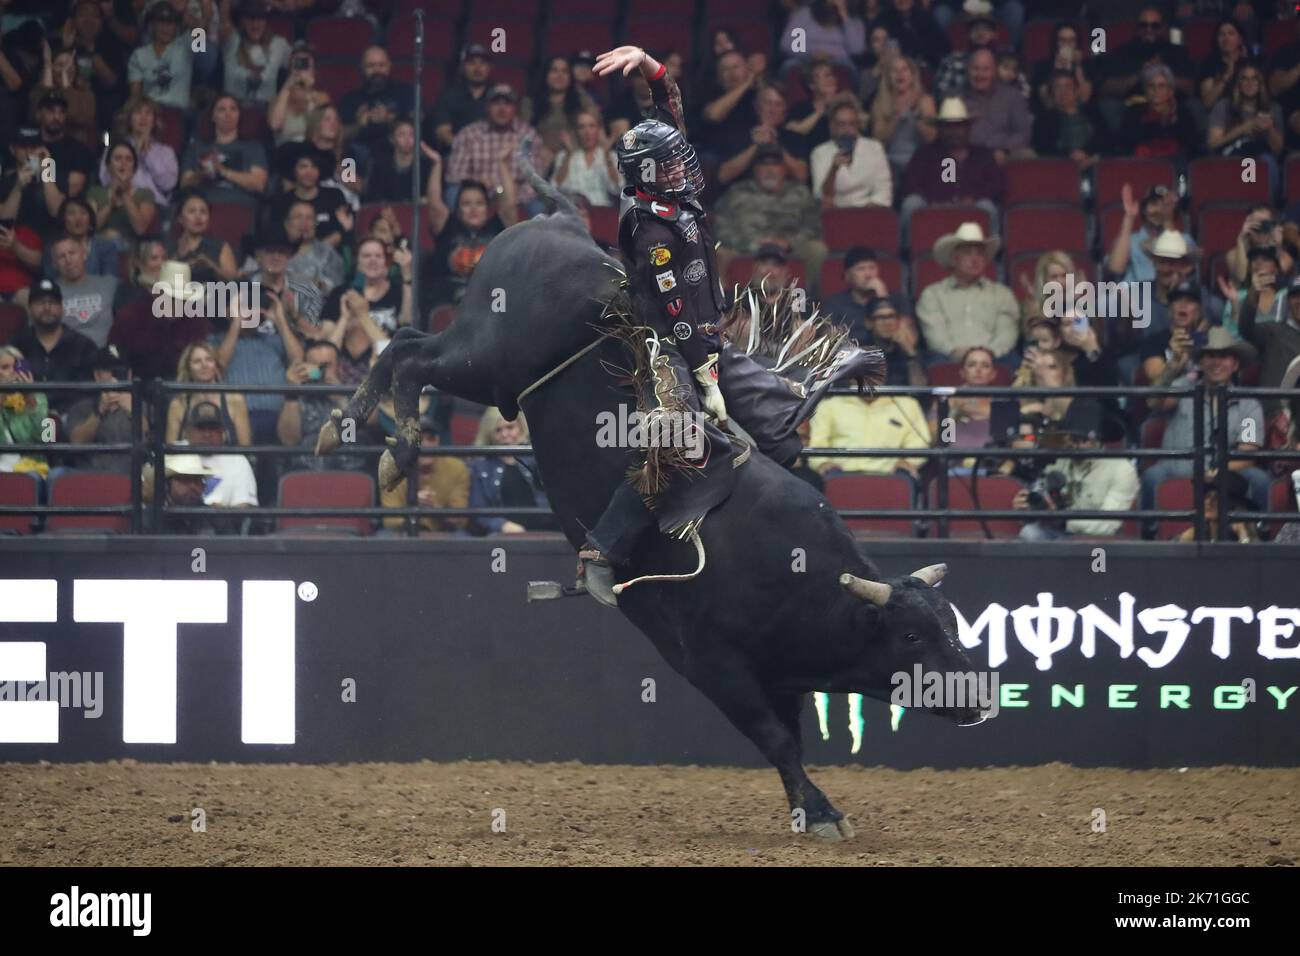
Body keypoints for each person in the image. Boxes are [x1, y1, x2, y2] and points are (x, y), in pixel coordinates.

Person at [574, 43, 882, 600]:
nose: (682, 165)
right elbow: (678, 317)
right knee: (679, 437)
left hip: (706, 334)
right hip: (667, 346)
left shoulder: (671, 190)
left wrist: (652, 68)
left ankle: (783, 525)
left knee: (777, 418)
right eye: (669, 163)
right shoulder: (651, 232)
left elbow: (668, 116)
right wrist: (709, 381)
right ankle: (603, 547)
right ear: (647, 175)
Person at [1140, 328, 1270, 536]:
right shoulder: (1183, 387)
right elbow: (1153, 401)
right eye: (1210, 356)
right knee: (1152, 476)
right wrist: (1172, 368)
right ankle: (1150, 535)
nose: (1216, 362)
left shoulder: (1249, 404)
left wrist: (1219, 470)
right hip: (1179, 467)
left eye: (1224, 356)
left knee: (1258, 479)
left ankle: (1261, 535)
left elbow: (1248, 452)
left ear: (1235, 364)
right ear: (1200, 362)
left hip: (1226, 474)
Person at [1012, 403, 1139, 541]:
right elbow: (1042, 493)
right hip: (1060, 533)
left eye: (1081, 439)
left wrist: (1064, 521)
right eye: (1070, 438)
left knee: (1058, 543)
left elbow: (1108, 525)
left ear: (1098, 439)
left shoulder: (1122, 469)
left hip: (1100, 542)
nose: (1074, 445)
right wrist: (1027, 507)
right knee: (1029, 532)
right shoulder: (1060, 461)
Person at [712, 144, 827, 294]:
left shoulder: (801, 193)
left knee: (817, 250)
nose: (770, 170)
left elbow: (813, 227)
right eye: (764, 165)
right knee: (719, 252)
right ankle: (723, 304)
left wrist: (789, 242)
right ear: (755, 169)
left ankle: (810, 298)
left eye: (776, 165)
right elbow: (722, 228)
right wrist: (752, 243)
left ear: (784, 169)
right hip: (746, 247)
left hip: (788, 248)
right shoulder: (736, 193)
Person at [899, 98, 1003, 242]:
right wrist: (932, 201)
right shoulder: (925, 153)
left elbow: (996, 184)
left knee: (987, 207)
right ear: (940, 129)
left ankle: (992, 255)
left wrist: (974, 198)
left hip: (972, 208)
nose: (953, 131)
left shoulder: (982, 154)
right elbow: (910, 182)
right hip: (932, 207)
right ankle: (907, 254)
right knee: (912, 204)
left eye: (958, 126)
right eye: (948, 127)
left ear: (967, 128)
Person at [915, 222, 1019, 365]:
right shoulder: (933, 294)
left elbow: (1006, 334)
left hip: (994, 359)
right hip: (948, 359)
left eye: (980, 253)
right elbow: (936, 336)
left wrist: (985, 356)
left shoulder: (1003, 294)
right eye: (967, 253)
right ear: (954, 258)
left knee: (1013, 362)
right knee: (934, 362)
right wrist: (955, 353)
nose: (975, 258)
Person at [110, 256, 211, 382]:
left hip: (184, 392)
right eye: (171, 296)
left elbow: (205, 361)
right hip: (137, 391)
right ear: (157, 293)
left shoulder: (197, 320)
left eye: (182, 298)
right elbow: (113, 353)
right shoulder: (130, 316)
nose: (177, 302)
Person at [6, 279, 97, 415]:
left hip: (72, 420)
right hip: (26, 416)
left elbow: (90, 395)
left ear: (62, 308)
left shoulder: (83, 346)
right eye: (40, 302)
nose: (47, 307)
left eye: (52, 302)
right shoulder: (17, 345)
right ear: (29, 308)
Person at [446, 84, 540, 214]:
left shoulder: (528, 135)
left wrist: (510, 198)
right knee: (453, 193)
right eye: (496, 103)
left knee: (538, 207)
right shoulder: (469, 134)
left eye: (507, 104)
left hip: (516, 197)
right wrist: (477, 186)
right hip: (477, 195)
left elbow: (534, 181)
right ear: (487, 107)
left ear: (515, 108)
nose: (502, 109)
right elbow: (455, 177)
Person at [380, 411, 470, 533]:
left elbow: (461, 520)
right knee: (383, 535)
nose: (426, 444)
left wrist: (434, 508)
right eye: (419, 440)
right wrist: (412, 504)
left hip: (444, 532)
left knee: (463, 537)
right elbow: (390, 522)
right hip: (402, 532)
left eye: (431, 439)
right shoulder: (392, 467)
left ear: (438, 441)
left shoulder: (456, 468)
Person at [468, 408, 552, 535]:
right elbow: (478, 509)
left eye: (510, 428)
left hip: (547, 530)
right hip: (505, 535)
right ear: (489, 433)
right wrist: (501, 525)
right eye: (498, 430)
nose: (505, 434)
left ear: (521, 428)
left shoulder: (538, 457)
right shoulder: (481, 466)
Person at [178, 94, 270, 207]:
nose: (228, 114)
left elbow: (258, 184)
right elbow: (184, 185)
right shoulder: (196, 147)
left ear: (239, 115)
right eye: (222, 109)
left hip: (241, 206)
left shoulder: (253, 147)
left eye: (233, 109)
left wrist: (223, 171)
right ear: (212, 116)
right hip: (204, 206)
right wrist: (201, 175)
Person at [810, 93, 892, 209]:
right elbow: (822, 196)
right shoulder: (819, 153)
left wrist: (864, 214)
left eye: (852, 124)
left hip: (869, 211)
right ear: (832, 126)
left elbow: (883, 191)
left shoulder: (874, 148)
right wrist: (833, 169)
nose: (848, 130)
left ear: (858, 125)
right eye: (842, 124)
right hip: (836, 212)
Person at [166, 339, 252, 447]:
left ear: (215, 365)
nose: (204, 365)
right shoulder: (178, 404)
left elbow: (246, 447)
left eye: (209, 359)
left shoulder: (235, 399)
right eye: (197, 361)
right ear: (188, 368)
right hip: (190, 462)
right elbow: (170, 451)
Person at [64, 344, 136, 473]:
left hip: (132, 479)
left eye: (120, 370)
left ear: (130, 375)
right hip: (90, 478)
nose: (114, 376)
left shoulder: (142, 406)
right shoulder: (82, 407)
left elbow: (150, 441)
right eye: (109, 370)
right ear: (97, 375)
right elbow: (77, 442)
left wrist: (133, 411)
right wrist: (100, 410)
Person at [175, 399, 258, 509]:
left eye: (213, 428)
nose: (207, 434)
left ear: (222, 432)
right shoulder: (174, 452)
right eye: (201, 428)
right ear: (188, 432)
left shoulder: (237, 459)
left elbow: (243, 506)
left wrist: (219, 514)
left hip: (220, 523)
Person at [870, 54, 936, 178]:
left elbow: (932, 138)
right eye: (894, 70)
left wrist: (918, 118)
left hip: (919, 160)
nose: (900, 74)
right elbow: (878, 140)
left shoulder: (925, 100)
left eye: (904, 69)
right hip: (890, 162)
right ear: (888, 77)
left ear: (912, 75)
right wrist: (896, 116)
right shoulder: (880, 102)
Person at [103, 95, 178, 204]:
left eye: (148, 113)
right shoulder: (114, 149)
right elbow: (105, 179)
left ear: (154, 120)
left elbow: (169, 184)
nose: (143, 118)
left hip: (156, 205)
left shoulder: (166, 152)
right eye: (138, 113)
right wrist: (133, 153)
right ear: (129, 118)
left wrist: (148, 155)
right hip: (121, 204)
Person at [49, 234, 118, 348]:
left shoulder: (110, 284)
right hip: (68, 357)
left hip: (105, 356)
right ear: (54, 264)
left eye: (72, 253)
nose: (68, 260)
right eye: (61, 256)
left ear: (84, 254)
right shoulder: (50, 293)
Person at [219, 0, 291, 107]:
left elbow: (297, 65)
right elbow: (223, 23)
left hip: (266, 110)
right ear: (243, 21)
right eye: (250, 18)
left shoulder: (279, 44)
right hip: (234, 109)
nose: (255, 24)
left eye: (260, 18)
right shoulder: (231, 41)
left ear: (266, 21)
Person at [338, 46, 414, 146]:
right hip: (360, 155)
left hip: (397, 154)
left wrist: (389, 119)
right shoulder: (350, 99)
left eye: (381, 65)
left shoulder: (405, 92)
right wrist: (359, 125)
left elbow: (419, 125)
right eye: (371, 66)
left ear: (389, 66)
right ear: (361, 68)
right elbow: (338, 134)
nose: (377, 70)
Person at [86, 141, 157, 246]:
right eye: (118, 159)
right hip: (98, 246)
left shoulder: (146, 194)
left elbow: (140, 229)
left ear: (134, 167)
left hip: (129, 248)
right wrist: (110, 206)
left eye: (128, 159)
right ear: (109, 165)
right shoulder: (95, 192)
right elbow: (90, 228)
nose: (123, 163)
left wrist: (124, 193)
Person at [126, 3, 191, 111]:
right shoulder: (139, 55)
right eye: (161, 23)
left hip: (178, 114)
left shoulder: (185, 46)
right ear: (152, 25)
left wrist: (196, 26)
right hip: (151, 113)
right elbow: (135, 96)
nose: (166, 28)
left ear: (176, 26)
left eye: (170, 23)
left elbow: (201, 47)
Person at [0, 345, 51, 482]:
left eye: (16, 367)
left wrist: (30, 399)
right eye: (5, 367)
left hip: (30, 468)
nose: (12, 372)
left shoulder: (40, 398)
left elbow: (47, 439)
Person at [550, 109, 620, 207]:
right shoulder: (564, 156)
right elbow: (556, 187)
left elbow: (618, 187)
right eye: (581, 127)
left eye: (591, 126)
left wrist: (607, 155)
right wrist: (568, 155)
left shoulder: (610, 156)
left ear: (599, 130)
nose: (587, 132)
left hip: (601, 211)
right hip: (574, 212)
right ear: (576, 131)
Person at [167, 190, 239, 284]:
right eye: (192, 211)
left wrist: (211, 266)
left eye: (203, 212)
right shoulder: (170, 248)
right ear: (180, 218)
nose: (198, 216)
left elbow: (235, 282)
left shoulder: (220, 246)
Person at [430, 43, 493, 150]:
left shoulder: (498, 97)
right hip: (458, 154)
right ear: (463, 67)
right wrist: (467, 150)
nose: (477, 68)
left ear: (489, 68)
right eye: (472, 63)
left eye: (482, 63)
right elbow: (443, 132)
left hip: (492, 153)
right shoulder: (449, 96)